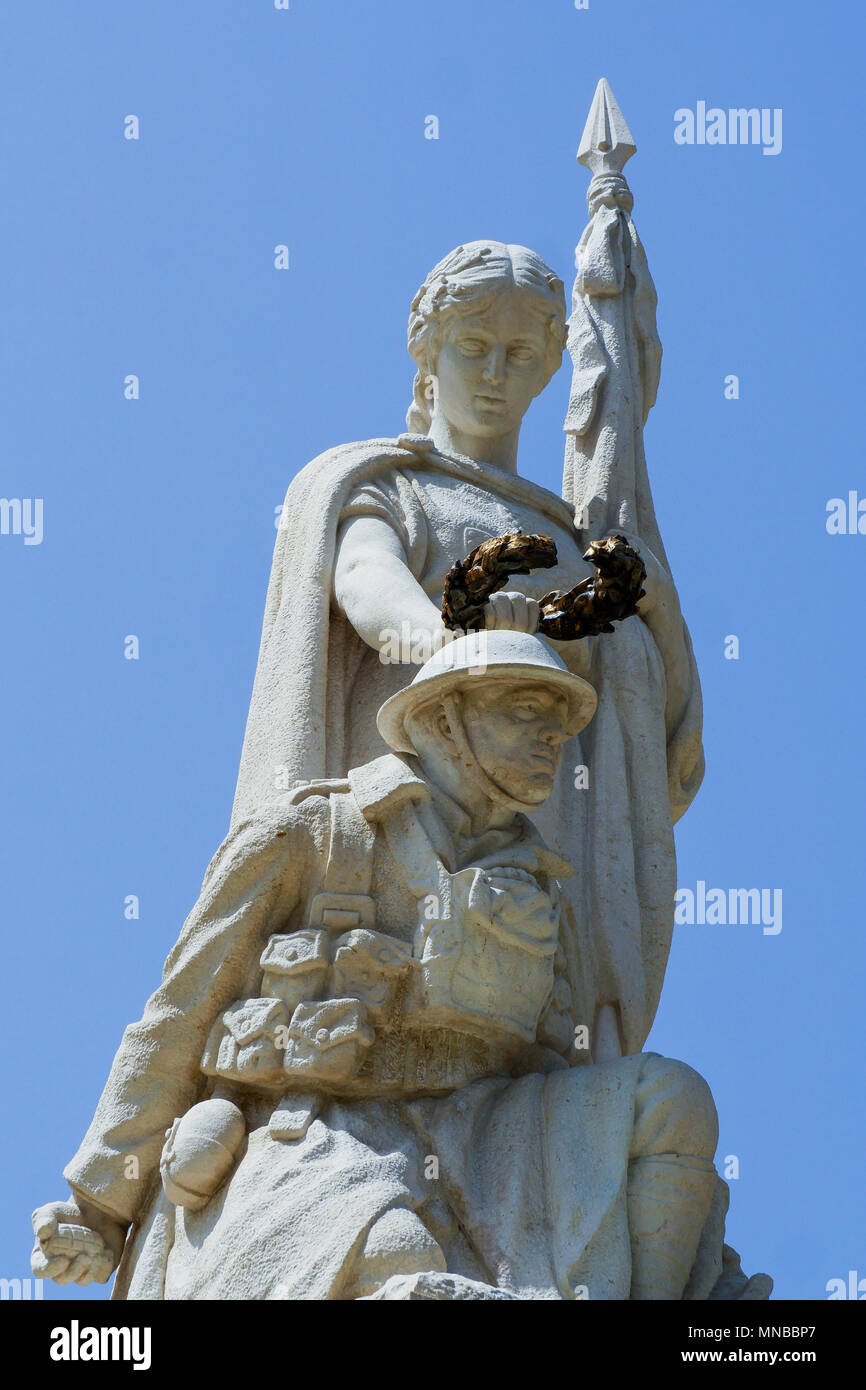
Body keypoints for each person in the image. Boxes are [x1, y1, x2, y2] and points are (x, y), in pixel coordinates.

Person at [31, 632, 720, 1301]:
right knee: (398, 1256)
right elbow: (180, 1015)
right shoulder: (310, 834)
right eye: (525, 712)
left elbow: (554, 1057)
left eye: (558, 723)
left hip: (485, 1127)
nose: (552, 738)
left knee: (666, 1100)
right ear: (442, 719)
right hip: (327, 1125)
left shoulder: (538, 886)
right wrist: (99, 1204)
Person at [231, 240, 703, 1065]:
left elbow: (639, 705)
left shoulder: (572, 540)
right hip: (408, 820)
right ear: (430, 349)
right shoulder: (391, 482)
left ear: (550, 367)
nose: (494, 373)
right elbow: (366, 577)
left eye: (520, 354)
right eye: (473, 348)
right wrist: (454, 648)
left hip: (541, 833)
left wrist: (651, 615)